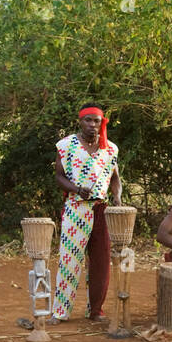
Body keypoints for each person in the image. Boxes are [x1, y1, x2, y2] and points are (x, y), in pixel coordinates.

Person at [53, 103, 121, 321]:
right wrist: (76, 189)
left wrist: (117, 197)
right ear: (80, 121)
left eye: (96, 121)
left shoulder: (110, 148)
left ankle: (95, 310)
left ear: (102, 123)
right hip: (76, 208)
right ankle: (61, 312)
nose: (92, 125)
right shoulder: (66, 146)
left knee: (101, 262)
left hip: (101, 209)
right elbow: (59, 176)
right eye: (88, 120)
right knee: (69, 261)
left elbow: (116, 178)